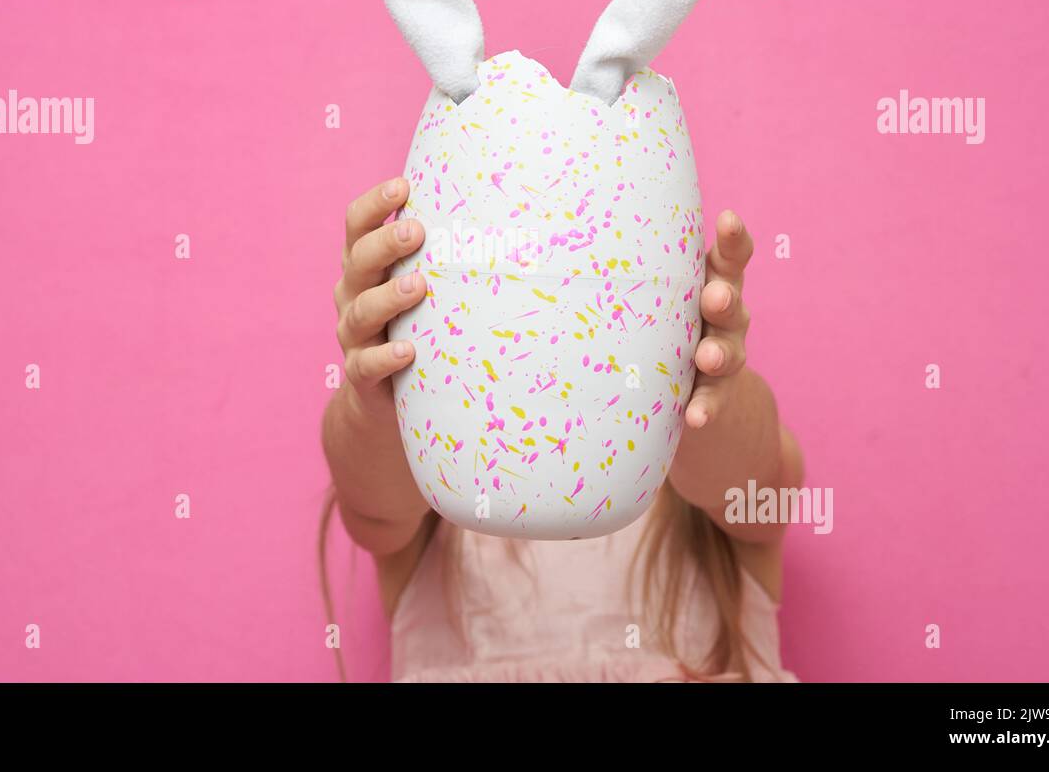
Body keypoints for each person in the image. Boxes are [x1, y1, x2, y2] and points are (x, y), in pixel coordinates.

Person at [321, 176, 803, 682]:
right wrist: (382, 396)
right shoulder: (443, 480)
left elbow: (751, 476)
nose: (557, 285)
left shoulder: (715, 490)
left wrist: (700, 380)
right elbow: (372, 502)